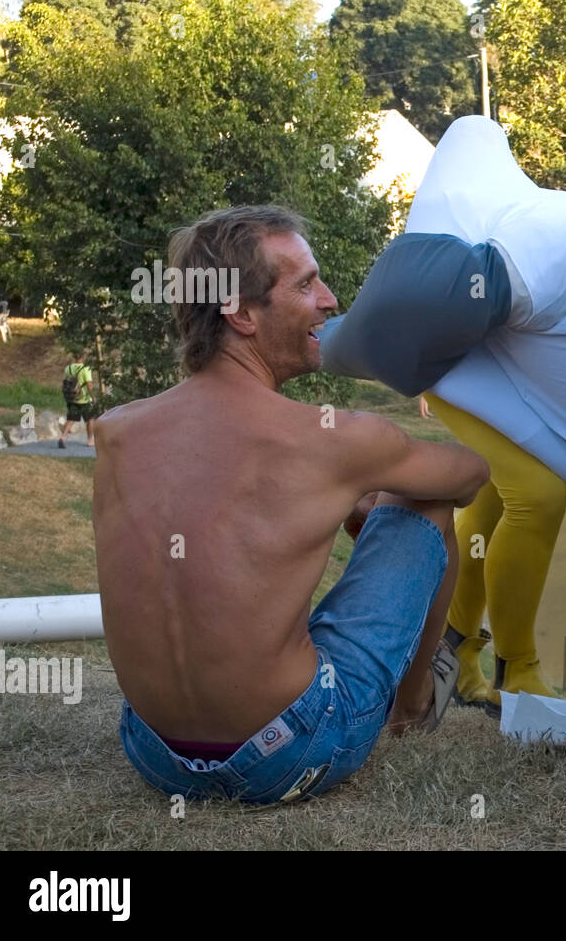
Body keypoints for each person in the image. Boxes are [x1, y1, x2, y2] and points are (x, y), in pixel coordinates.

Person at [93, 206, 489, 803]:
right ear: (243, 313)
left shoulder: (117, 432)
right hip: (288, 751)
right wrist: (370, 483)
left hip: (156, 753)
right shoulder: (333, 440)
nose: (329, 301)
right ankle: (414, 709)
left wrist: (347, 490)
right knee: (422, 498)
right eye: (305, 284)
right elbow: (469, 476)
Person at [59, 350, 97, 448]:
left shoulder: (68, 368)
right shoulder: (86, 369)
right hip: (83, 398)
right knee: (90, 419)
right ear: (83, 357)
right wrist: (93, 397)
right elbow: (89, 384)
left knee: (71, 418)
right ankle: (90, 440)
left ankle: (63, 437)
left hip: (71, 397)